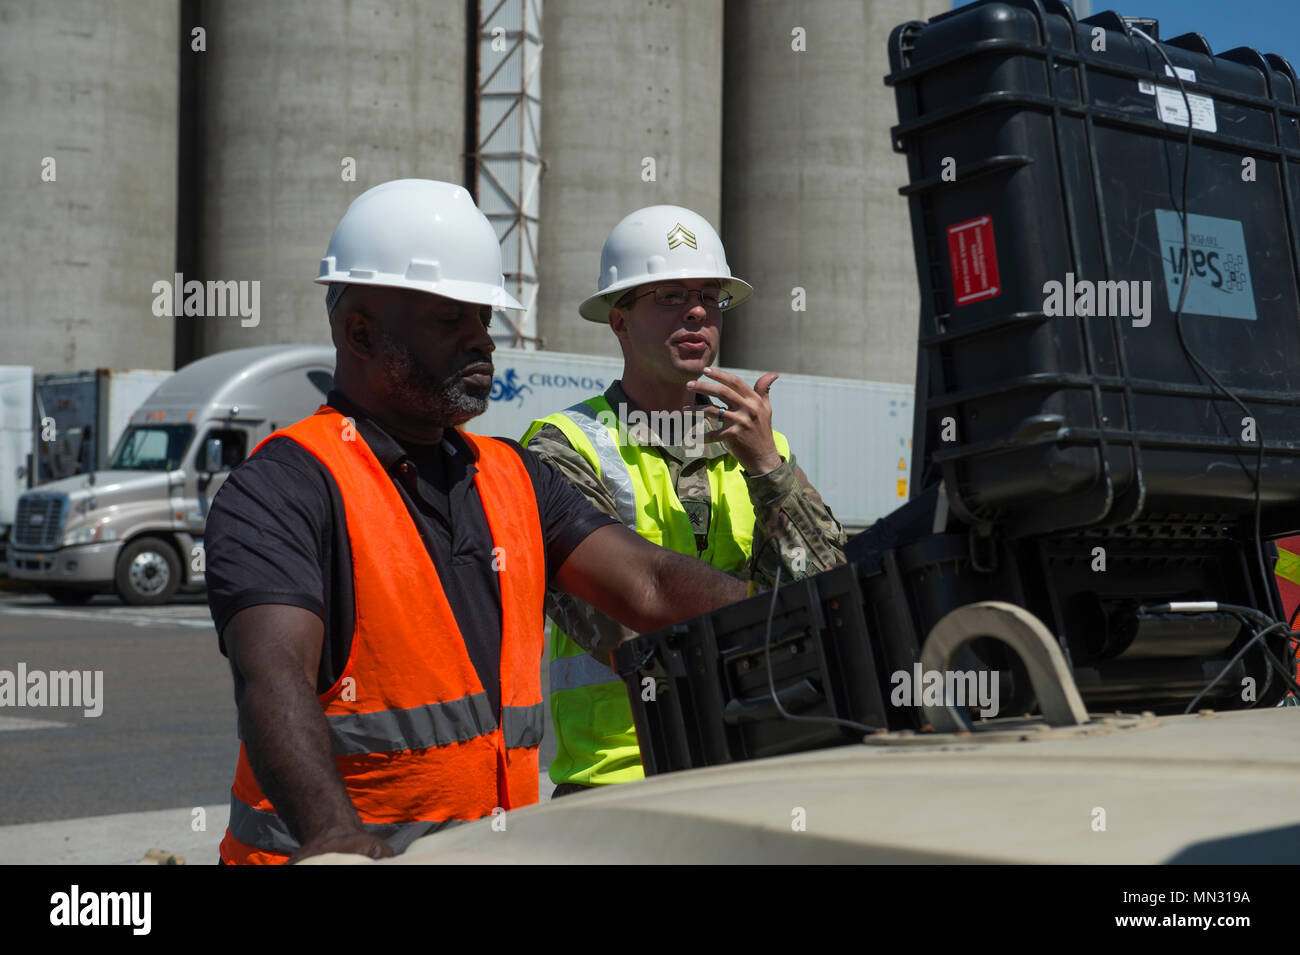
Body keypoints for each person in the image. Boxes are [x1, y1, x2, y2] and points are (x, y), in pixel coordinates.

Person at [204, 181, 751, 865]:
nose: (482, 340)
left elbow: (652, 584)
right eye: (449, 320)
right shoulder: (285, 486)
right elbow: (272, 672)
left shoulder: (513, 477)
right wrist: (331, 836)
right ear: (361, 332)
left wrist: (809, 617)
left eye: (484, 317)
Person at [522, 205, 847, 797]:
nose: (697, 310)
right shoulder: (561, 447)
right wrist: (779, 620)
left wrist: (769, 471)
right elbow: (621, 625)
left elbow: (831, 598)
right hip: (623, 780)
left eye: (710, 297)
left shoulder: (760, 449)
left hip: (761, 764)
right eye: (670, 295)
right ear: (619, 322)